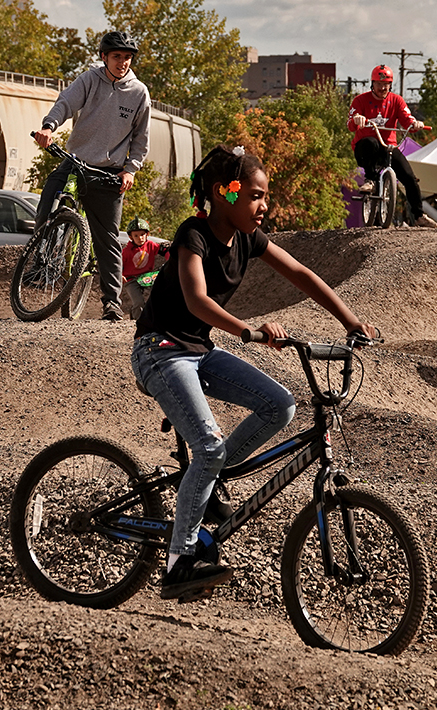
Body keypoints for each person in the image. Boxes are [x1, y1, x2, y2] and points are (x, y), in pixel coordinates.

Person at [130, 144, 377, 602]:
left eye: (265, 196)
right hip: (160, 351)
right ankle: (179, 561)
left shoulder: (248, 239)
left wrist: (350, 320)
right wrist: (249, 331)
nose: (265, 206)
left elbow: (300, 273)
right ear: (225, 194)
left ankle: (214, 476)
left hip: (198, 351)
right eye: (257, 196)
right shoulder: (194, 235)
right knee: (207, 446)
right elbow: (196, 300)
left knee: (280, 404)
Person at [33, 30, 151, 322]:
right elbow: (66, 102)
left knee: (108, 239)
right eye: (116, 57)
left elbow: (141, 138)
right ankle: (40, 262)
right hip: (74, 161)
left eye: (126, 57)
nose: (122, 62)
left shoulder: (139, 93)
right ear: (103, 57)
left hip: (109, 173)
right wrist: (49, 126)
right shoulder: (89, 79)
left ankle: (111, 304)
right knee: (47, 202)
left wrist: (131, 169)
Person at [347, 64, 437, 228]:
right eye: (379, 84)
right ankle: (370, 179)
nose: (382, 88)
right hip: (366, 150)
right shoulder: (360, 100)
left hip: (388, 146)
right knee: (370, 141)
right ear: (372, 84)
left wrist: (415, 124)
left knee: (410, 178)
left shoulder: (396, 101)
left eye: (386, 84)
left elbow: (407, 119)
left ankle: (419, 216)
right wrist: (357, 119)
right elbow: (351, 123)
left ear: (390, 84)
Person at [121, 217, 167, 319]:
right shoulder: (127, 251)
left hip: (147, 277)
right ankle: (137, 322)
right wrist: (121, 275)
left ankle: (156, 319)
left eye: (142, 234)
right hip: (131, 279)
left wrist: (171, 260)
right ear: (130, 237)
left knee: (157, 297)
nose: (140, 238)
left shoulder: (150, 245)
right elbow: (119, 265)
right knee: (138, 302)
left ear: (147, 234)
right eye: (136, 236)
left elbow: (164, 251)